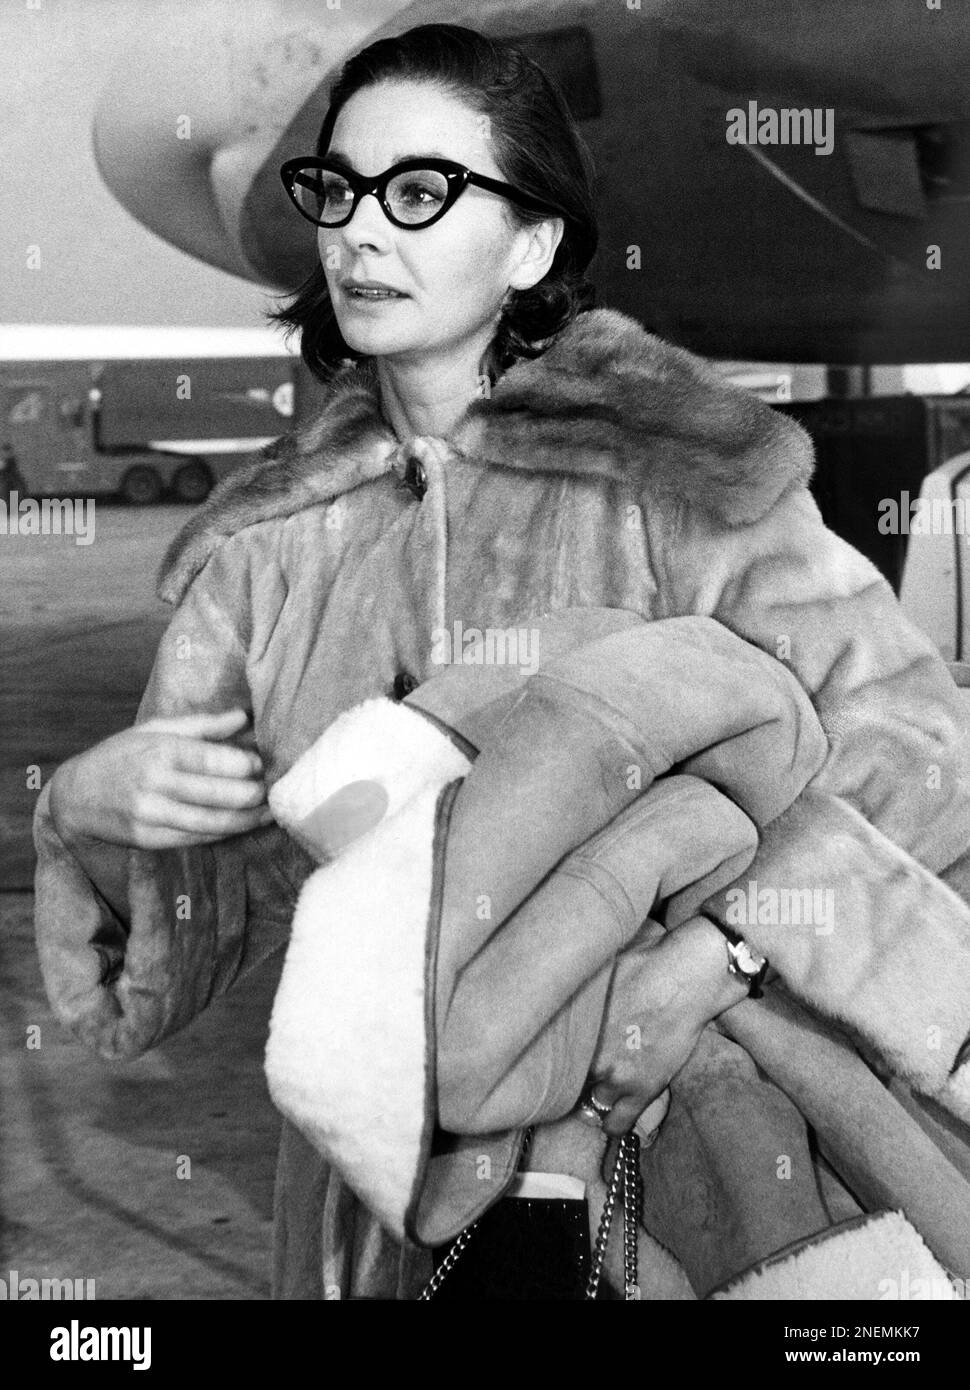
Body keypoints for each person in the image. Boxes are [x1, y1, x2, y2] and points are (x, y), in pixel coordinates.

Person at [33, 23, 970, 1299]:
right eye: (339, 190)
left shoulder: (684, 474)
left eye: (420, 194)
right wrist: (88, 815)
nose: (360, 233)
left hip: (690, 1162)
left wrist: (724, 952)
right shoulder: (260, 557)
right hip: (386, 1203)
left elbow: (912, 747)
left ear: (530, 244)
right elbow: (203, 931)